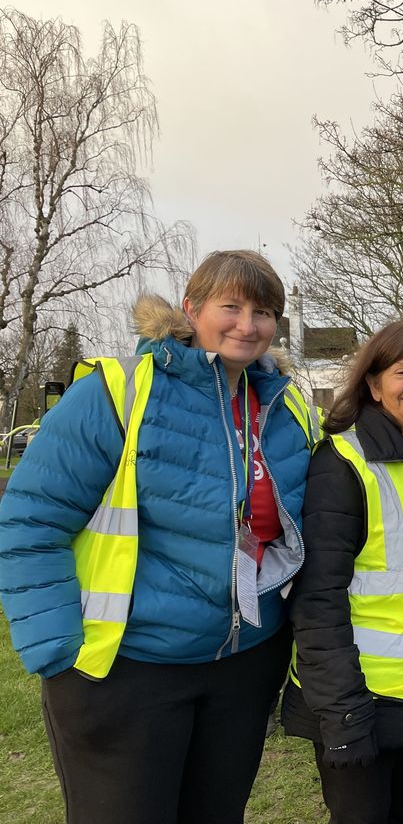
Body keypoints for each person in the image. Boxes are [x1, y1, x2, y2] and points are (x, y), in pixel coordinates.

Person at [0, 249, 320, 824]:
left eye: (264, 311)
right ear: (191, 309)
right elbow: (31, 519)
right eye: (232, 306)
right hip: (129, 671)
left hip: (243, 668)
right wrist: (58, 654)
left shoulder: (287, 404)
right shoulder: (116, 392)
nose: (248, 324)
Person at [282, 320, 403, 824]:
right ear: (372, 383)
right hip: (360, 697)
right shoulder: (343, 463)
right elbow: (318, 600)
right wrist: (344, 713)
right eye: (402, 371)